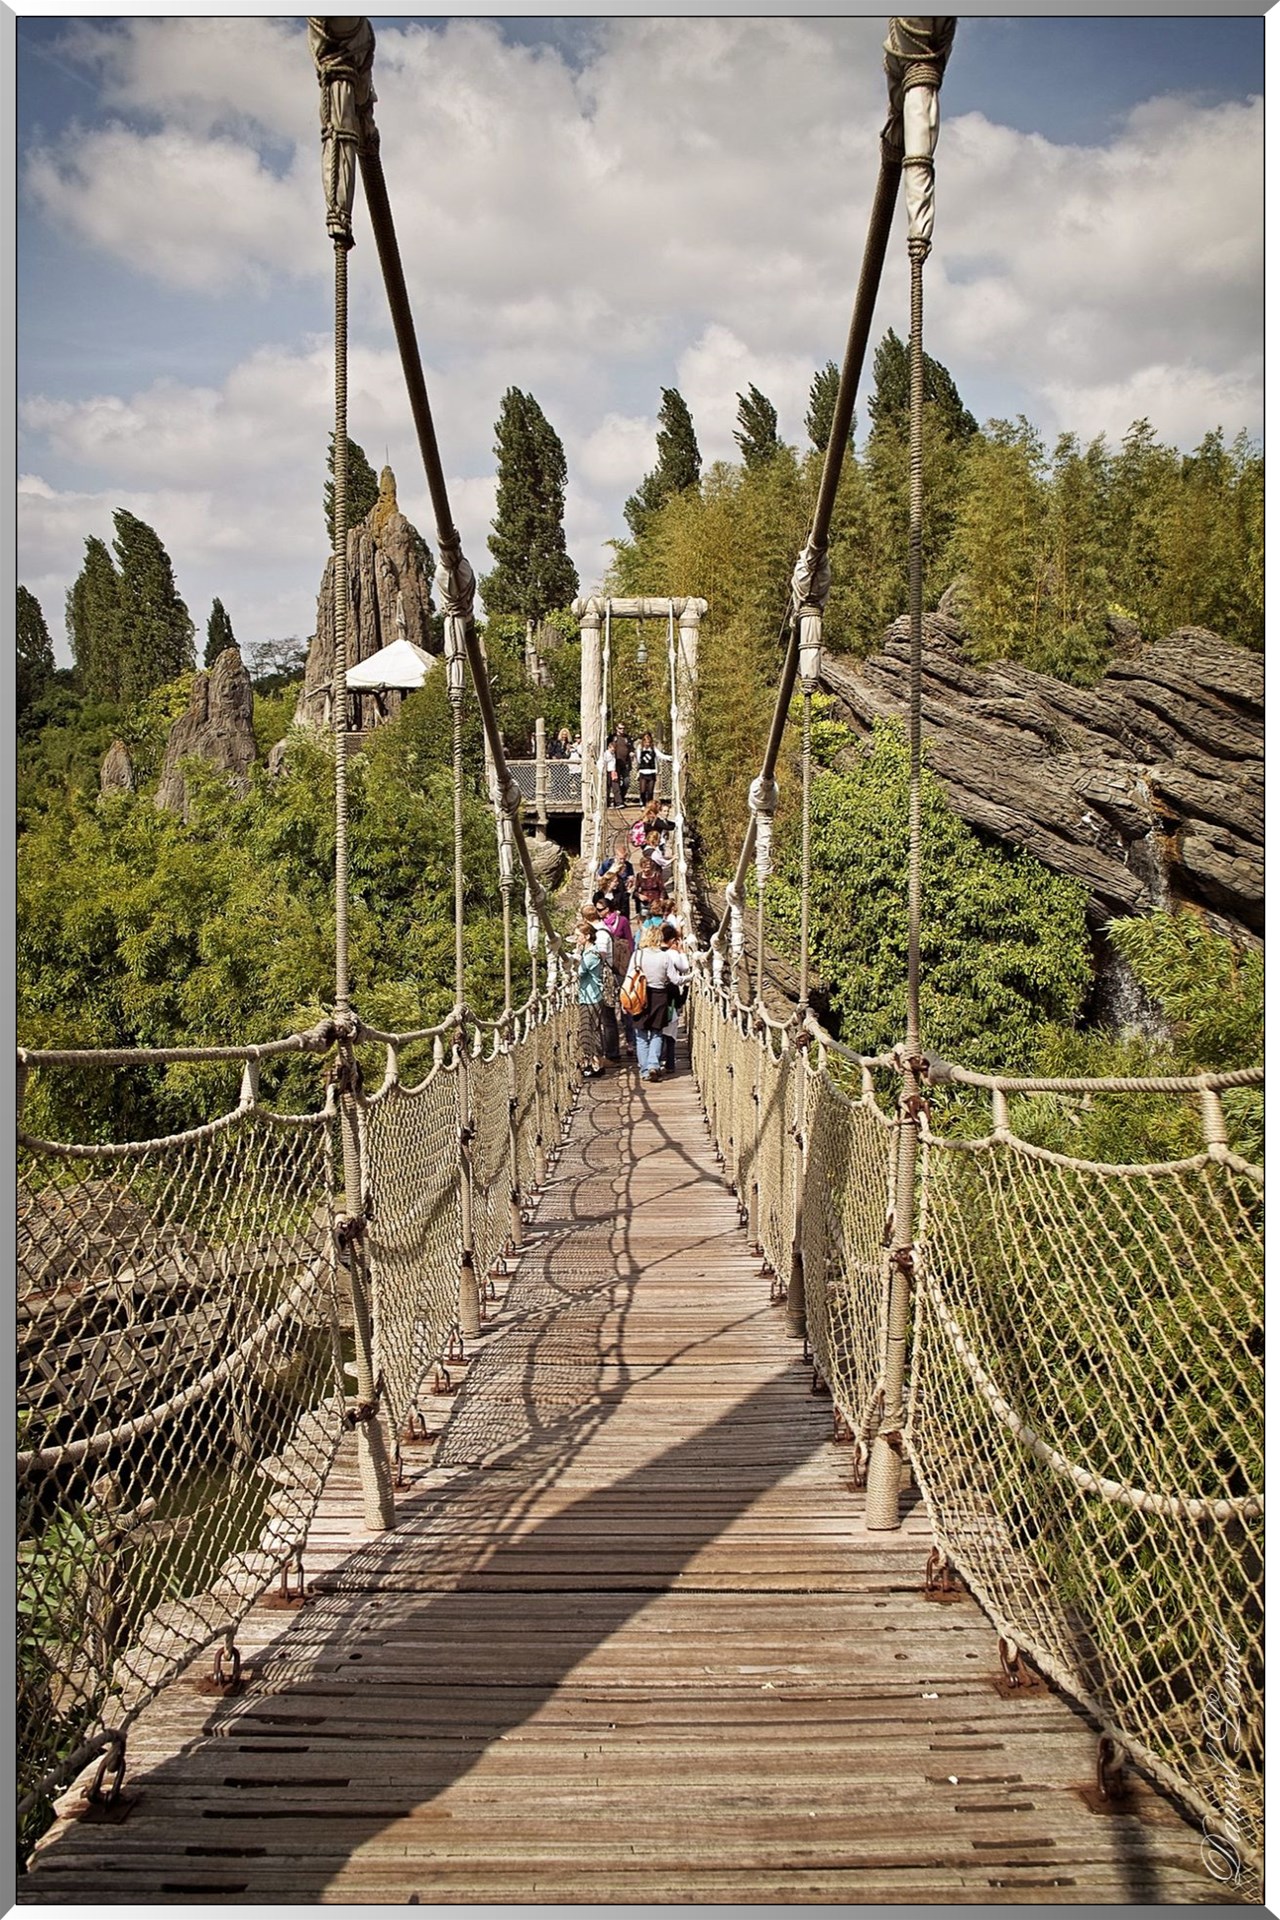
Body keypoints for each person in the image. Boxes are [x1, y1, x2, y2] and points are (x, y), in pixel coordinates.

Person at [626, 924, 688, 1084]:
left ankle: (645, 1069)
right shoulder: (665, 956)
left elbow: (629, 978)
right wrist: (690, 977)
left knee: (640, 1035)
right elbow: (675, 980)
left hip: (640, 996)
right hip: (660, 997)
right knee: (656, 1032)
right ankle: (654, 1064)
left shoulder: (637, 955)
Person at [575, 915, 607, 1078]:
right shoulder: (589, 951)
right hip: (589, 996)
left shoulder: (591, 955)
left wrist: (570, 960)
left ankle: (595, 1064)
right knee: (591, 1029)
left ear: (587, 936)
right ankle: (595, 1063)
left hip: (591, 998)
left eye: (578, 936)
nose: (576, 939)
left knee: (588, 1030)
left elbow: (579, 971)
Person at [659, 922, 691, 1074]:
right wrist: (681, 951)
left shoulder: (653, 953)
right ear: (673, 941)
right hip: (671, 997)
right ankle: (670, 1063)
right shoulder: (672, 954)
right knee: (671, 1031)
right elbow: (684, 967)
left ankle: (657, 1060)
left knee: (658, 1030)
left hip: (656, 996)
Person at [635, 731, 659, 804]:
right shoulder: (640, 748)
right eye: (646, 742)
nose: (647, 744)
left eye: (649, 742)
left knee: (650, 791)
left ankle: (649, 805)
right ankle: (642, 802)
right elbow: (639, 759)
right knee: (642, 790)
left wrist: (671, 757)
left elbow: (660, 755)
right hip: (643, 771)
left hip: (652, 771)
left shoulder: (653, 748)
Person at [611, 727, 633, 805]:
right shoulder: (612, 737)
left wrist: (631, 752)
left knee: (626, 781)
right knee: (615, 782)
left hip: (625, 763)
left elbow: (631, 748)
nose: (622, 730)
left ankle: (621, 798)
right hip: (615, 763)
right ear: (616, 728)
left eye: (623, 728)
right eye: (620, 728)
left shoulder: (627, 738)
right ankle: (618, 802)